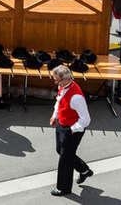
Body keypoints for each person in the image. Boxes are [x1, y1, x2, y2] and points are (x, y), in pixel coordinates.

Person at [50, 63, 92, 197]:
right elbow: (59, 100)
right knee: (61, 151)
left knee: (65, 159)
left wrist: (73, 129)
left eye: (56, 79)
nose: (55, 82)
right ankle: (84, 170)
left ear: (66, 79)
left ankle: (63, 188)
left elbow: (86, 119)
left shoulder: (76, 97)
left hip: (72, 129)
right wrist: (54, 115)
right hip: (62, 124)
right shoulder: (62, 86)